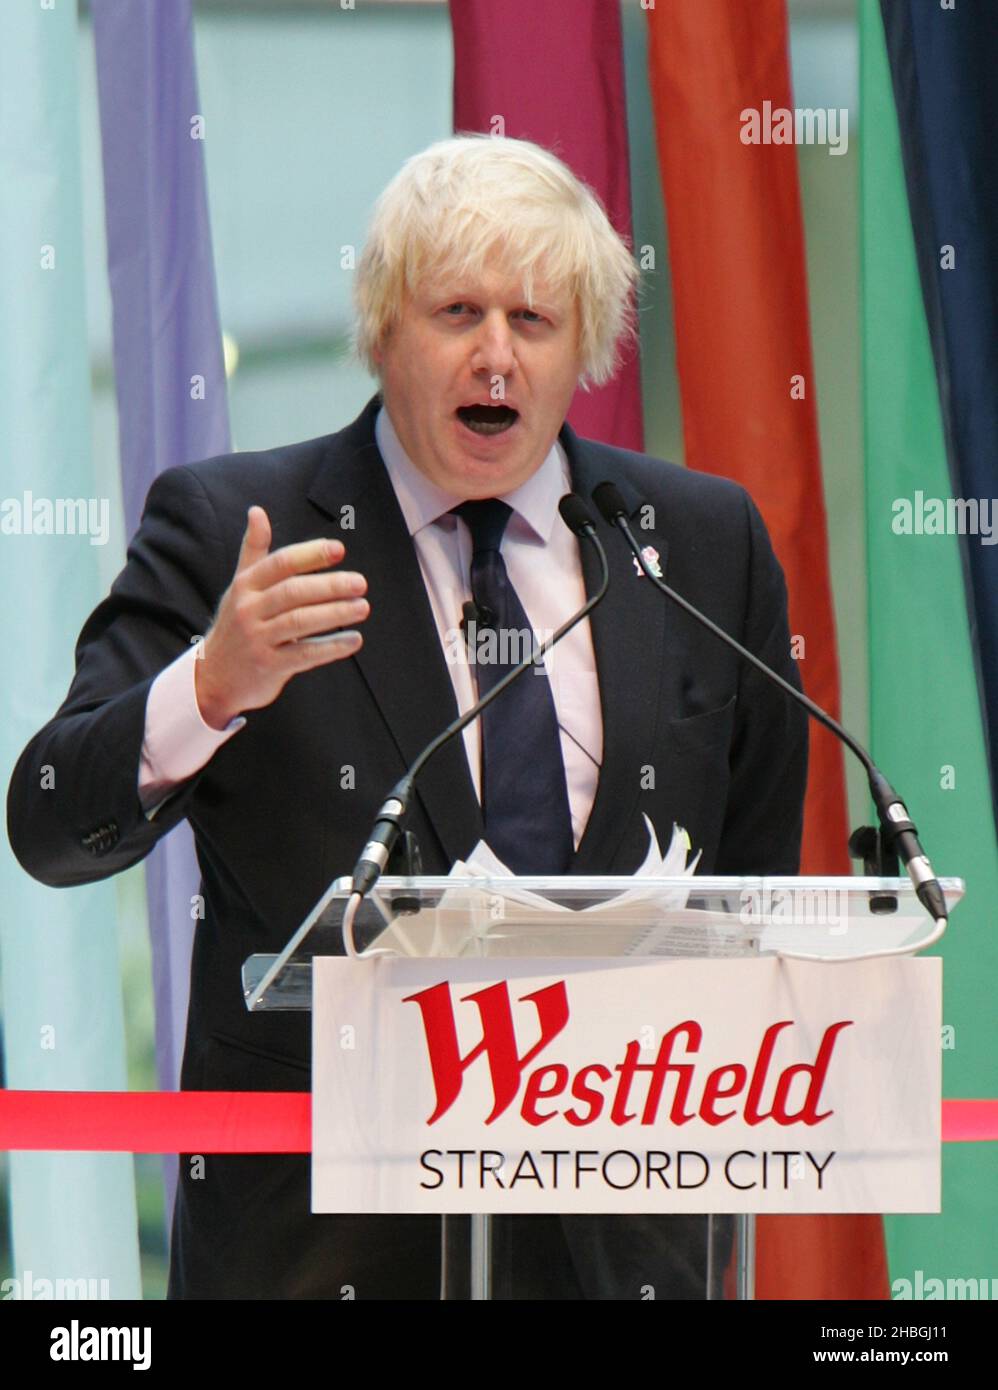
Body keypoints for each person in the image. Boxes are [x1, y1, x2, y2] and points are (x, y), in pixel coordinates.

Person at [6, 134, 807, 1299]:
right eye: (456, 313)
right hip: (320, 1250)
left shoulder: (693, 541)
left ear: (581, 346)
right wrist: (210, 684)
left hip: (625, 1254)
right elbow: (47, 818)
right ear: (382, 328)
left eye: (532, 321)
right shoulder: (241, 526)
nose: (495, 356)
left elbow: (756, 894)